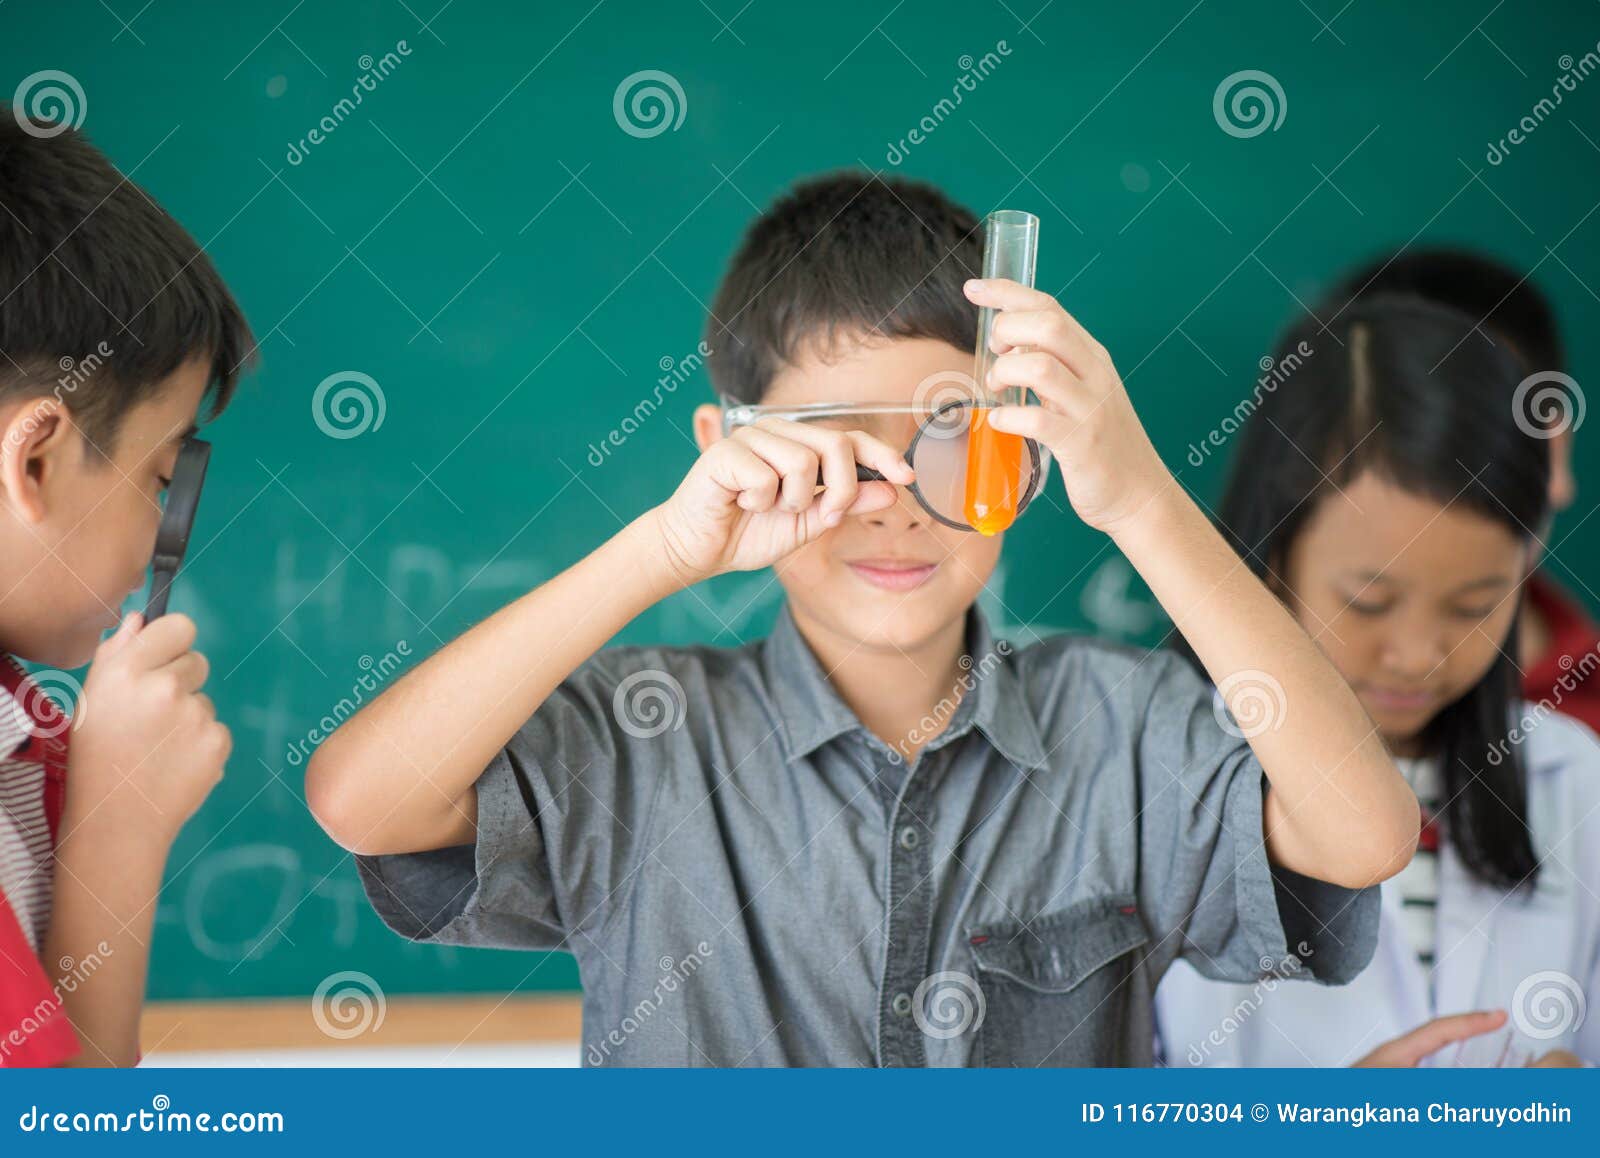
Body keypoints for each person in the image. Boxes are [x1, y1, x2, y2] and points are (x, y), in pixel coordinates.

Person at [308, 172, 1418, 1067]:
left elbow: (1363, 835)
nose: (894, 502)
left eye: (950, 432)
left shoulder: (1124, 728)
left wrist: (1140, 500)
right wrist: (663, 550)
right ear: (727, 450)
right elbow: (362, 801)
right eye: (834, 443)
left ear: (1024, 454)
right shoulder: (640, 733)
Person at [1155, 296, 1599, 1067]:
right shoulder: (1147, 784)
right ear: (1273, 558)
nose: (1417, 655)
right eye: (1369, 601)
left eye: (1474, 604)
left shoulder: (1574, 781)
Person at [0, 111, 247, 1066]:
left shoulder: (24, 740)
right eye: (160, 479)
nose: (161, 534)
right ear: (36, 459)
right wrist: (117, 837)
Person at [1329, 248, 1600, 733]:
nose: (1415, 659)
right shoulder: (1219, 702)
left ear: (1554, 452)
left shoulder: (1582, 734)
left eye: (1476, 446)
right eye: (1368, 601)